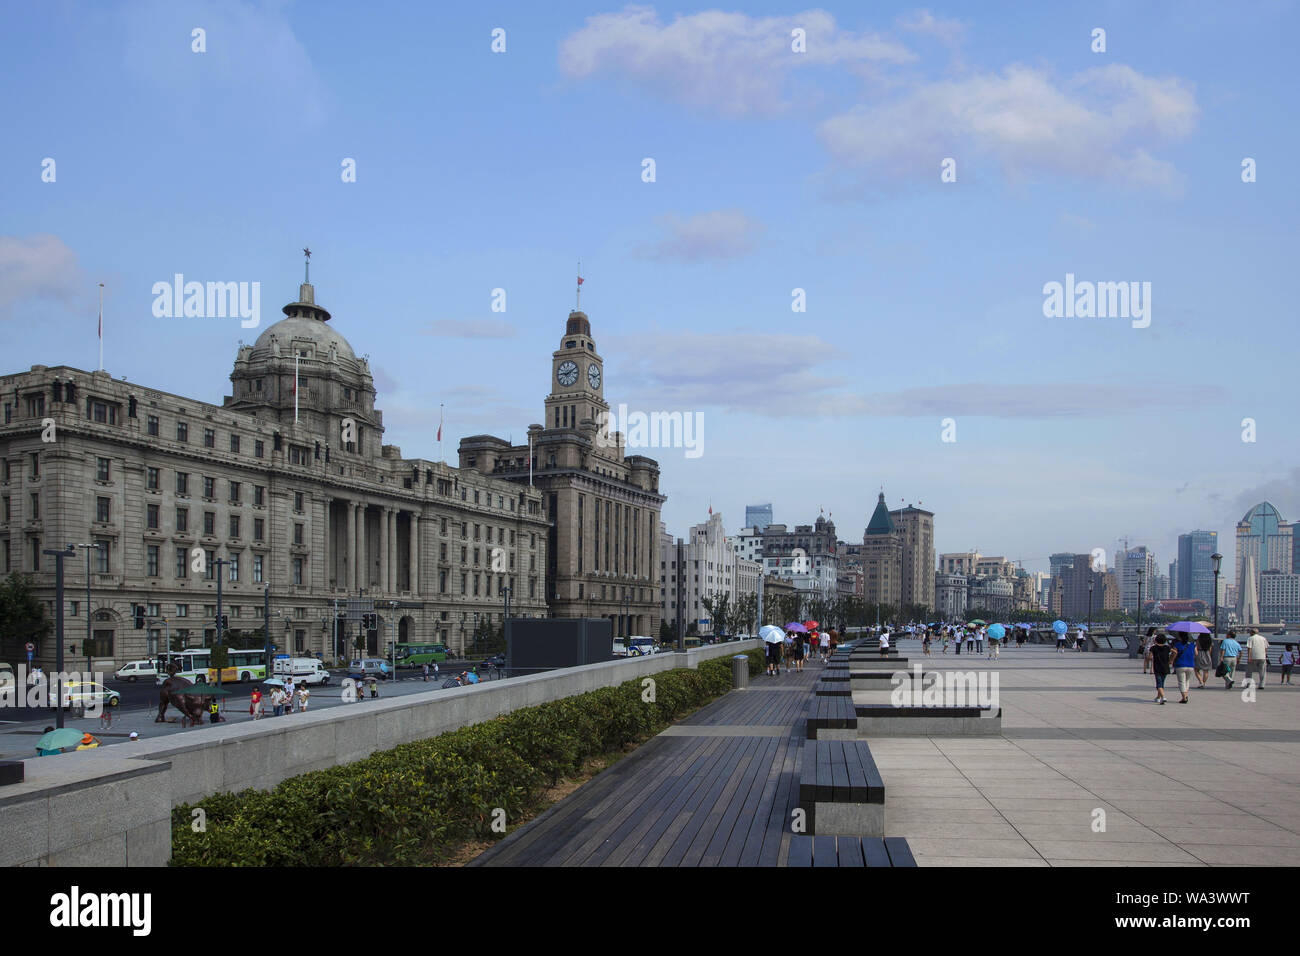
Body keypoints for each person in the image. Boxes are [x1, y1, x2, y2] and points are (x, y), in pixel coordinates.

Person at [1170, 632, 1196, 703]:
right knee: (1187, 681)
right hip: (1190, 665)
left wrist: (1171, 661)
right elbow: (1196, 654)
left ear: (1180, 637)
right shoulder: (1192, 645)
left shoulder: (1177, 645)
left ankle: (1184, 697)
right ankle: (1186, 695)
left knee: (1181, 682)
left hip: (1180, 665)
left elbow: (1174, 654)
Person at [1151, 634, 1172, 704]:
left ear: (1156, 640)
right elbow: (1175, 652)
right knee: (1162, 682)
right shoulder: (1167, 647)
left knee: (1159, 684)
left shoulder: (1153, 648)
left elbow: (1150, 657)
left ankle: (1163, 697)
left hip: (1157, 667)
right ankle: (1158, 697)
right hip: (1166, 667)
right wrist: (1171, 660)